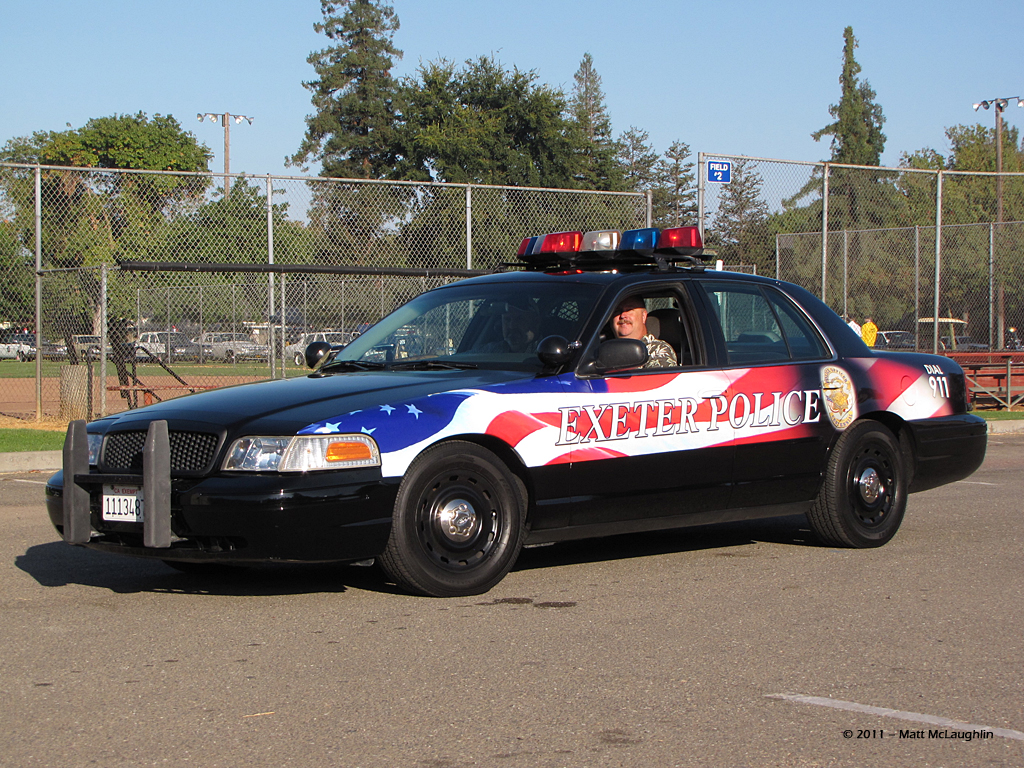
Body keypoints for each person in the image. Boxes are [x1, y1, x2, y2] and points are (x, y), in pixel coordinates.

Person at [611, 296, 677, 368]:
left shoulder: (658, 350)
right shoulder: (604, 352)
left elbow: (658, 379)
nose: (623, 315)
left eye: (629, 310)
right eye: (617, 311)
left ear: (643, 316)